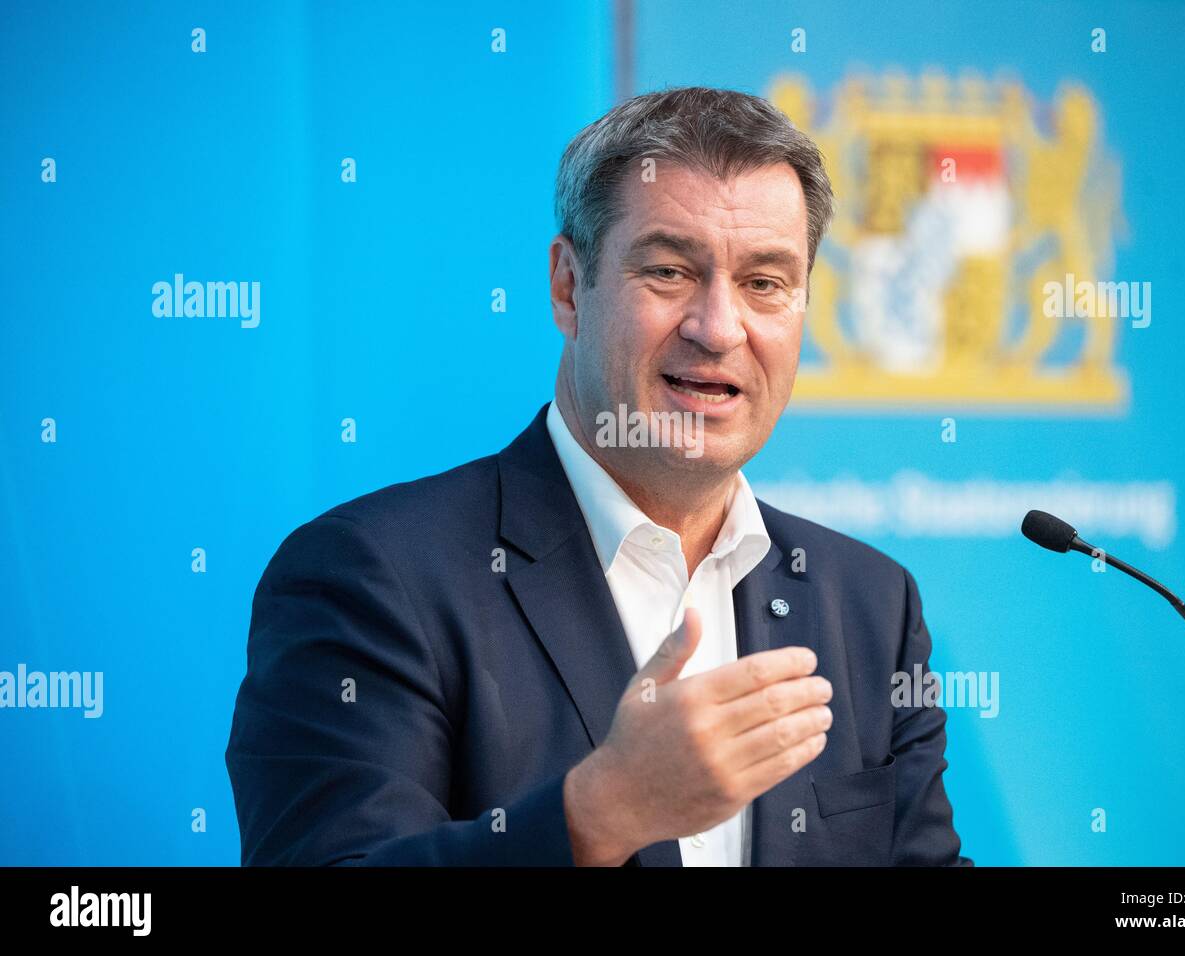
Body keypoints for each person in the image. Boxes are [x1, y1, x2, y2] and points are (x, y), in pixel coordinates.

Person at [226, 86, 970, 867]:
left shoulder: (869, 605)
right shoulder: (373, 577)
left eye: (765, 283)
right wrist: (596, 817)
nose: (718, 328)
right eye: (670, 271)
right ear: (568, 287)